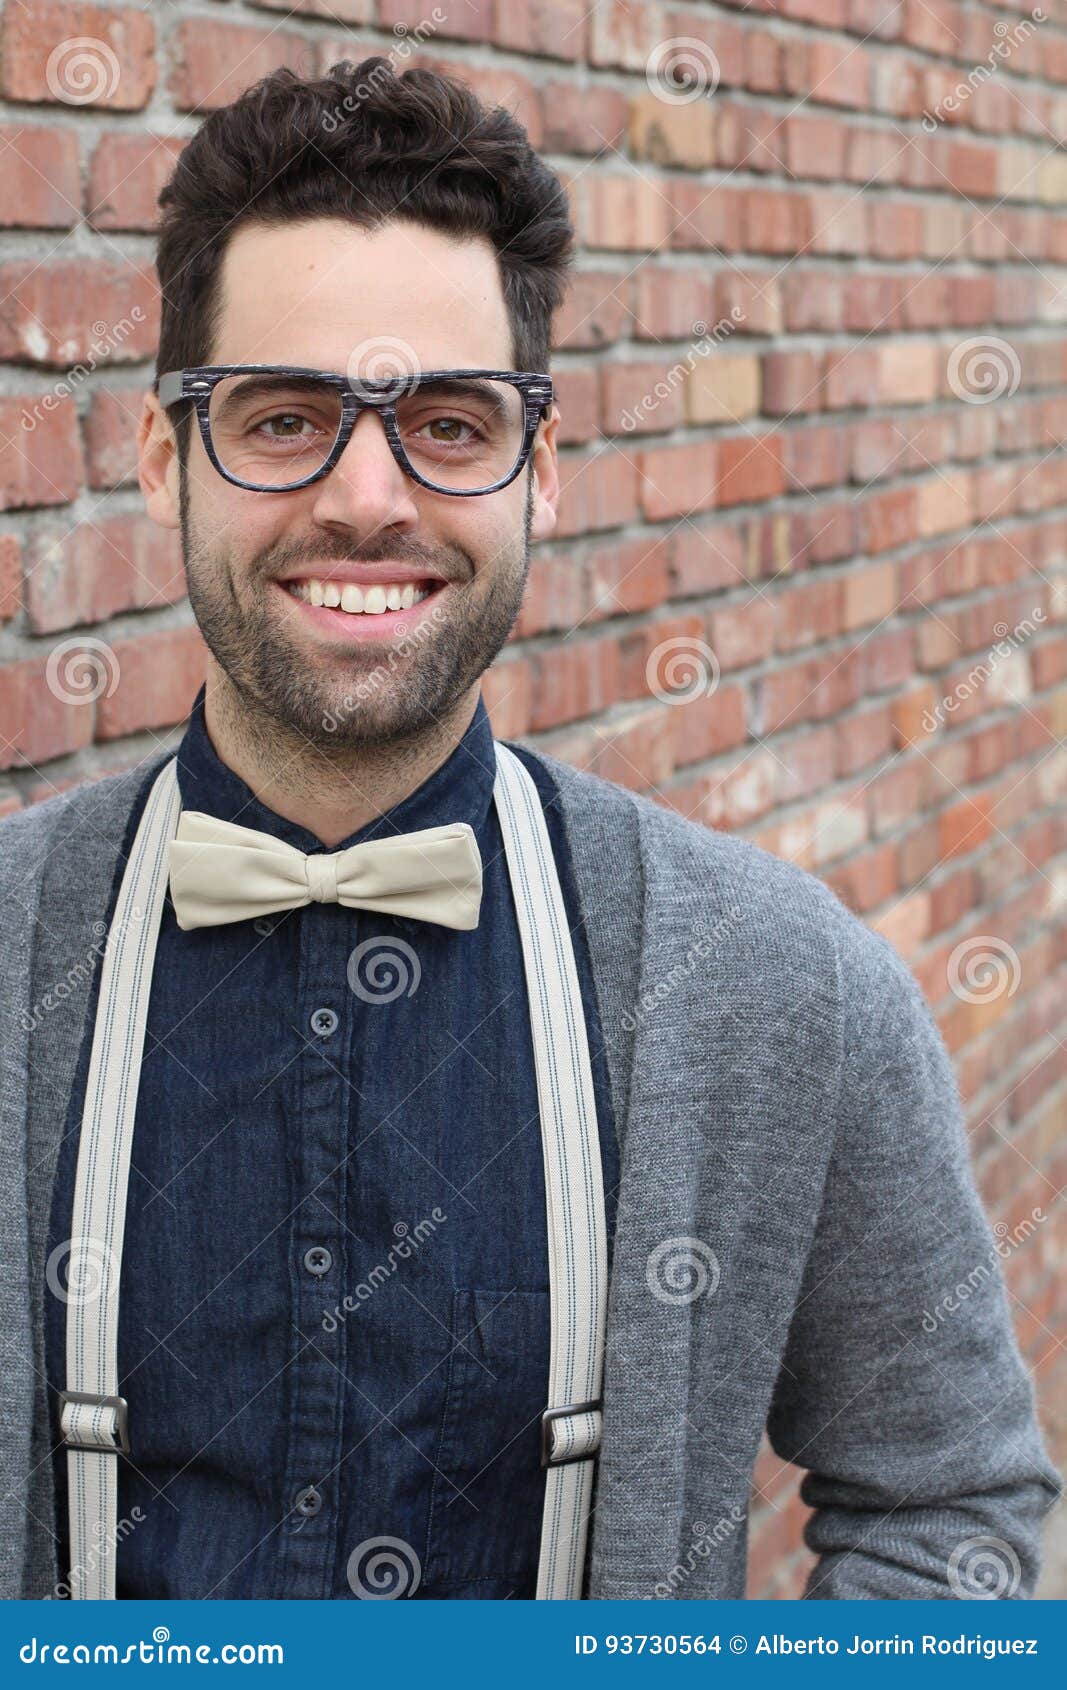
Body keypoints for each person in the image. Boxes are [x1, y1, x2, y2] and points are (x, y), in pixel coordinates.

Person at [0, 57, 1058, 1603]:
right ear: (165, 460)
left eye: (447, 422)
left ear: (541, 472)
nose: (368, 497)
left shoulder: (780, 986)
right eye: (284, 418)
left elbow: (950, 1504)